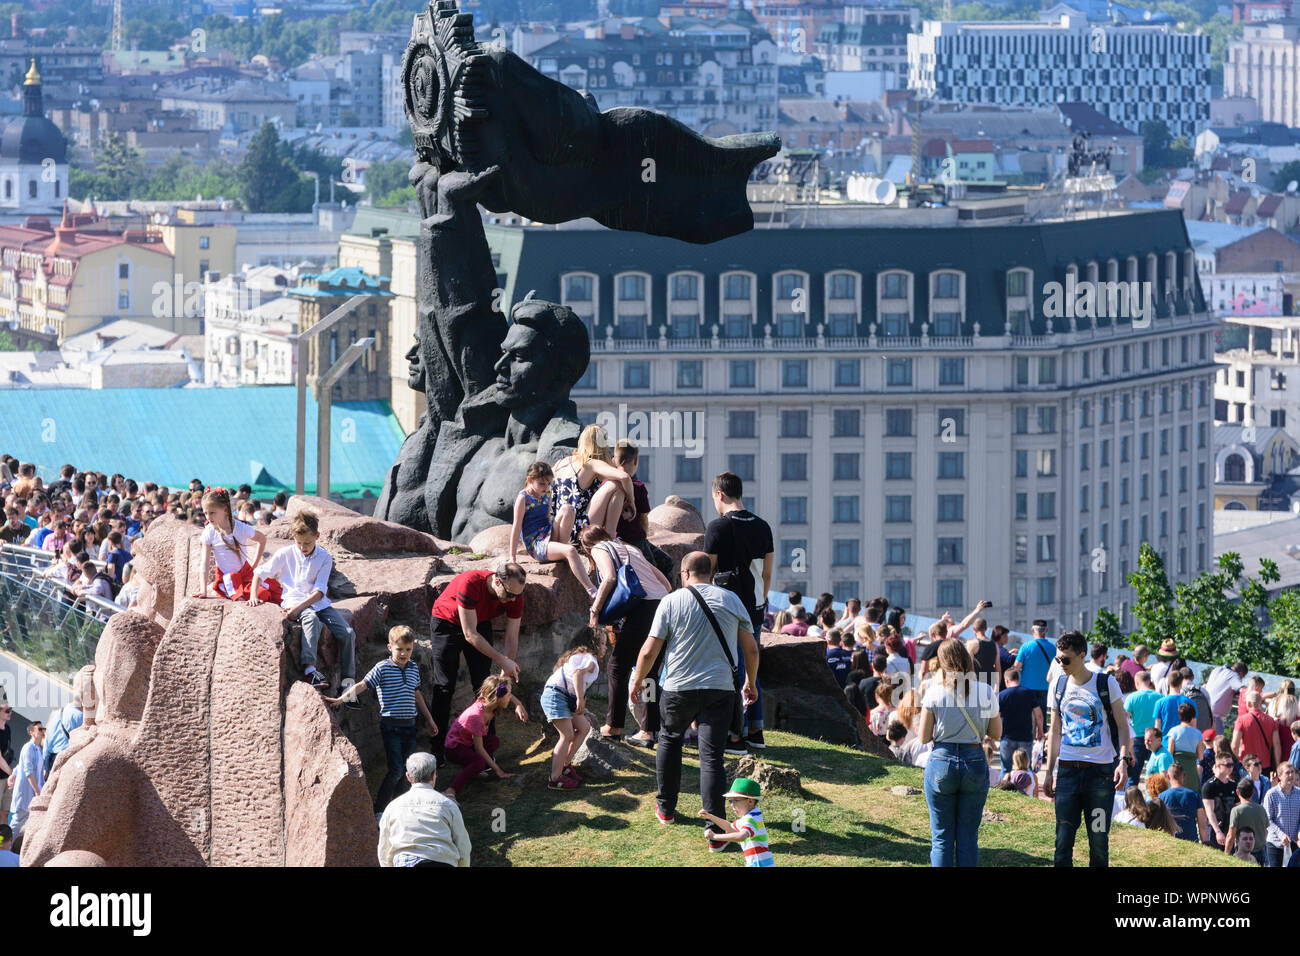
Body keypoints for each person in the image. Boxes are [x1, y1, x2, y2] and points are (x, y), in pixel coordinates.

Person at [628, 551, 759, 851]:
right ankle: (715, 830)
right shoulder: (731, 600)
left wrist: (637, 681)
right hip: (720, 688)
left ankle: (666, 809)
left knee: (669, 741)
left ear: (684, 574)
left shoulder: (671, 601)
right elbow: (750, 649)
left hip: (677, 688)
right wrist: (750, 682)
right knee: (711, 756)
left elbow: (649, 651)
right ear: (711, 573)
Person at [326, 625, 439, 816]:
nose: (404, 653)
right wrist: (340, 699)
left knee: (408, 772)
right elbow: (363, 684)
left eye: (408, 649)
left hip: (410, 726)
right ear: (390, 647)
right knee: (396, 770)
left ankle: (401, 808)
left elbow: (417, 694)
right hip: (391, 727)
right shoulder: (383, 668)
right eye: (399, 649)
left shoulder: (412, 668)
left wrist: (429, 719)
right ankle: (379, 810)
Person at [1043, 630, 1132, 867]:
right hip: (1067, 773)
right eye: (1058, 659)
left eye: (1066, 659)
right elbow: (1054, 731)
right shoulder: (1058, 685)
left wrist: (1123, 761)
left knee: (1099, 841)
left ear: (1082, 655)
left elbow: (1123, 727)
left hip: (1100, 776)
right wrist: (1049, 771)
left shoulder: (1106, 683)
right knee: (1062, 842)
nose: (1061, 664)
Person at [425, 563, 529, 757]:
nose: (512, 600)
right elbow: (469, 634)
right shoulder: (471, 582)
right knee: (445, 686)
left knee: (485, 687)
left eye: (517, 595)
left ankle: (486, 748)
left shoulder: (515, 594)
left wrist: (503, 678)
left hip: (479, 622)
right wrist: (501, 659)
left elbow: (511, 638)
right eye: (509, 595)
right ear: (497, 581)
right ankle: (437, 750)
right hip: (447, 622)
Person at [582, 525, 671, 748]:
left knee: (617, 667)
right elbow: (666, 583)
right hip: (663, 607)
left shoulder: (599, 548)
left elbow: (610, 578)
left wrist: (595, 611)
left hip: (643, 610)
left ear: (586, 546)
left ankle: (613, 726)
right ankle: (649, 730)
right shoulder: (630, 548)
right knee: (650, 672)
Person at [703, 471, 773, 755]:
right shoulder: (763, 526)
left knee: (734, 668)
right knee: (751, 663)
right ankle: (756, 730)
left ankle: (736, 734)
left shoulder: (717, 527)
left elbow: (705, 572)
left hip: (725, 607)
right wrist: (761, 599)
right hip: (754, 606)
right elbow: (767, 573)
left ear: (719, 494)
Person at [250, 510, 356, 697]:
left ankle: (348, 683)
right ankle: (310, 670)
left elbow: (319, 591)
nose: (302, 547)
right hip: (293, 600)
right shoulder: (286, 553)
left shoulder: (324, 558)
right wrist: (253, 595)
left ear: (317, 536)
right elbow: (260, 572)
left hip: (318, 603)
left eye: (307, 543)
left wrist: (298, 609)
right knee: (311, 620)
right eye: (299, 543)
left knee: (348, 633)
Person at [918, 638, 1000, 867]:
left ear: (942, 663)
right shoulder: (985, 690)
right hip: (974, 759)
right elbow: (996, 732)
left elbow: (923, 736)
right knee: (968, 837)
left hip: (942, 760)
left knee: (942, 837)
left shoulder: (935, 692)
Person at [511, 460, 597, 596]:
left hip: (548, 533)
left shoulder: (547, 493)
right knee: (570, 550)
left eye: (548, 483)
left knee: (568, 508)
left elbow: (549, 517)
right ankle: (592, 591)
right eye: (541, 483)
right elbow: (516, 527)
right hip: (536, 543)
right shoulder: (524, 498)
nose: (546, 487)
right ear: (529, 480)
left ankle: (560, 550)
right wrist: (512, 557)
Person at [377, 752, 472, 867]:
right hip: (442, 861)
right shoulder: (448, 805)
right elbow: (463, 846)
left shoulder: (392, 808)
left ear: (408, 776)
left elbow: (383, 849)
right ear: (434, 774)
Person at [549, 424, 634, 546]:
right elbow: (625, 477)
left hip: (560, 531)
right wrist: (631, 501)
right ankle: (611, 537)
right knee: (616, 484)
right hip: (581, 532)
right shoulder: (591, 463)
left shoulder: (560, 464)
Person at [443, 674, 525, 799]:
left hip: (467, 743)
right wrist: (499, 771)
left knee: (493, 741)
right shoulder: (477, 716)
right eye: (508, 695)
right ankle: (450, 790)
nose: (510, 698)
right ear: (498, 697)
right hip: (453, 748)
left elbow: (501, 691)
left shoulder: (488, 702)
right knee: (479, 762)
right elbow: (479, 748)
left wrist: (518, 704)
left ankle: (473, 769)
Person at [540, 631, 602, 791]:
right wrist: (580, 700)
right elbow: (578, 675)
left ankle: (565, 765)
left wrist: (583, 708)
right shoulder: (591, 660)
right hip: (556, 695)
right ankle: (554, 778)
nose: (605, 648)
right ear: (593, 645)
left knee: (584, 728)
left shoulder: (581, 657)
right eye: (602, 644)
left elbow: (581, 686)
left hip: (563, 696)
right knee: (567, 735)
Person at [696, 776, 774, 866]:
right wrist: (710, 817)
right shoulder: (751, 816)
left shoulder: (751, 819)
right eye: (731, 801)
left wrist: (714, 836)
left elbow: (741, 836)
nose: (732, 805)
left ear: (750, 801)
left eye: (736, 800)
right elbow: (729, 827)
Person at [996, 666, 1042, 776]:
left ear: (1006, 680)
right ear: (1018, 679)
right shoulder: (1029, 693)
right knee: (1026, 769)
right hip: (1025, 737)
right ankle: (1027, 790)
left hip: (1007, 738)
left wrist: (995, 733)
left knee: (1005, 769)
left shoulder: (1002, 695)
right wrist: (1039, 730)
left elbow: (996, 716)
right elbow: (1038, 715)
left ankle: (1004, 791)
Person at [1123, 671, 1163, 788]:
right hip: (1155, 738)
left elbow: (1126, 718)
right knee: (1155, 777)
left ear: (1136, 682)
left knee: (1133, 777)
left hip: (1137, 739)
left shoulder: (1132, 697)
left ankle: (1131, 803)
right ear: (1149, 681)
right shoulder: (1159, 697)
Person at [1158, 761, 1210, 843]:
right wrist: (1206, 843)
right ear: (1184, 776)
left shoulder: (1161, 797)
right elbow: (1202, 825)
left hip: (1169, 841)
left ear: (1168, 776)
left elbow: (1158, 823)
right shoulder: (1194, 795)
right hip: (1191, 841)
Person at [1233, 691, 1282, 777]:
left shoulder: (1241, 720)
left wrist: (1235, 762)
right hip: (1265, 766)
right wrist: (1277, 766)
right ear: (1261, 703)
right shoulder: (1271, 721)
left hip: (1247, 765)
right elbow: (1277, 745)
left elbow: (1235, 746)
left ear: (1248, 703)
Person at [8, 720, 44, 837]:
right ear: (31, 732)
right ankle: (2, 847)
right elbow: (28, 772)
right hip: (26, 795)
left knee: (24, 826)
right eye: (39, 729)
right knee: (16, 825)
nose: (42, 731)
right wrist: (38, 792)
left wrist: (13, 775)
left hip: (33, 795)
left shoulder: (38, 749)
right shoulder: (28, 748)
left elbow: (20, 765)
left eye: (42, 729)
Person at [1262, 761, 1300, 867]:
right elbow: (1267, 820)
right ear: (1279, 776)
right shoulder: (1271, 794)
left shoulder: (1299, 793)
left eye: (1292, 772)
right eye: (1287, 773)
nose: (1291, 775)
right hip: (1275, 843)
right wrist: (1281, 835)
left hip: (1295, 843)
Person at [1014, 620, 1055, 716]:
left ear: (1033, 630)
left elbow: (1016, 667)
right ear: (1046, 630)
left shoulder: (1025, 647)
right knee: (1044, 717)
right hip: (1046, 688)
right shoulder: (1053, 648)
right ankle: (1042, 731)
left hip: (1027, 688)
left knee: (1027, 717)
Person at [1226, 775, 1269, 863]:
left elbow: (1231, 835)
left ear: (1237, 792)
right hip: (1261, 851)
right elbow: (1265, 831)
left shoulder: (1236, 810)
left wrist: (1226, 854)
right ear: (1253, 793)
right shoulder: (1261, 809)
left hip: (1243, 852)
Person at [1202, 752, 1239, 849]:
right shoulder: (1209, 786)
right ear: (1218, 766)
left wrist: (1237, 831)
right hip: (1215, 830)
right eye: (1228, 765)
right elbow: (1209, 812)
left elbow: (1237, 809)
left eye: (1232, 765)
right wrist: (1218, 832)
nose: (1231, 767)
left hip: (1230, 829)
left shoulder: (1233, 785)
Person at [43, 693, 85, 776]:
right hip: (65, 760)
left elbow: (46, 743)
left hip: (52, 759)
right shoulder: (80, 716)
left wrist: (46, 768)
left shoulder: (56, 713)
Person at [1165, 702, 1204, 789]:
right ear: (1192, 716)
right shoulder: (1198, 734)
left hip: (1176, 770)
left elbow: (1169, 753)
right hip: (1191, 771)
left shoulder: (1173, 731)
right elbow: (1201, 756)